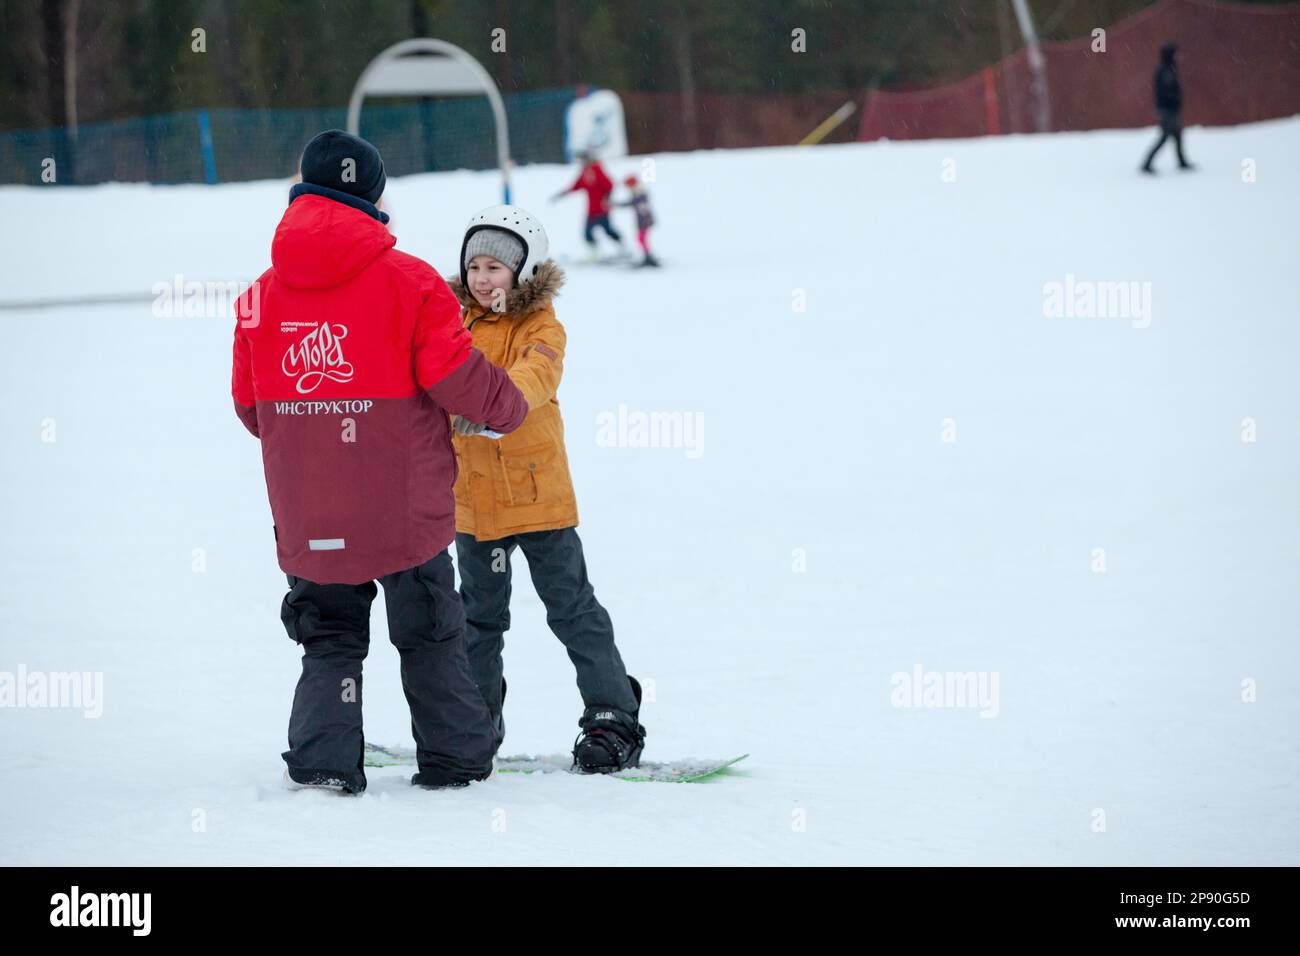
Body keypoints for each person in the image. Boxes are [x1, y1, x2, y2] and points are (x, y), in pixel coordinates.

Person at [231, 130, 528, 794]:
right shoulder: (413, 282)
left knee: (329, 636)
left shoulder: (257, 297)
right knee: (428, 633)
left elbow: (251, 409)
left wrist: (309, 440)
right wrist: (510, 409)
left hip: (310, 508)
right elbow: (456, 377)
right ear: (371, 194)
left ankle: (324, 762)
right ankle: (454, 761)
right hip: (402, 504)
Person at [445, 205, 647, 773]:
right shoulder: (452, 322)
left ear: (524, 270)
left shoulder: (542, 326)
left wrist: (490, 408)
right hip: (474, 505)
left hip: (538, 499)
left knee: (572, 609)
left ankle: (612, 715)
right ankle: (474, 723)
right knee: (478, 621)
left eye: (497, 267)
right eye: (476, 266)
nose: (484, 278)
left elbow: (536, 376)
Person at [550, 152, 627, 261]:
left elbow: (609, 185)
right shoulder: (585, 172)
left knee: (608, 230)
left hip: (602, 209)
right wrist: (561, 194)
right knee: (587, 233)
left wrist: (607, 198)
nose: (581, 163)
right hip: (591, 210)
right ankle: (595, 253)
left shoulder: (597, 169)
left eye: (582, 160)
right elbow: (576, 186)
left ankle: (623, 248)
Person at [1141, 43, 1194, 174]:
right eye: (1175, 54)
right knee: (1165, 137)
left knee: (1177, 136)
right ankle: (1146, 164)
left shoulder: (1168, 68)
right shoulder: (1165, 70)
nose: (1178, 57)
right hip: (1168, 111)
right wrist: (1173, 100)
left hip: (1170, 109)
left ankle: (1181, 162)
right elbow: (1166, 91)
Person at [615, 174, 659, 268]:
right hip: (642, 221)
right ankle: (647, 255)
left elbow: (640, 206)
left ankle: (648, 256)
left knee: (641, 238)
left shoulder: (639, 193)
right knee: (641, 239)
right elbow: (631, 203)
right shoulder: (636, 193)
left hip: (644, 221)